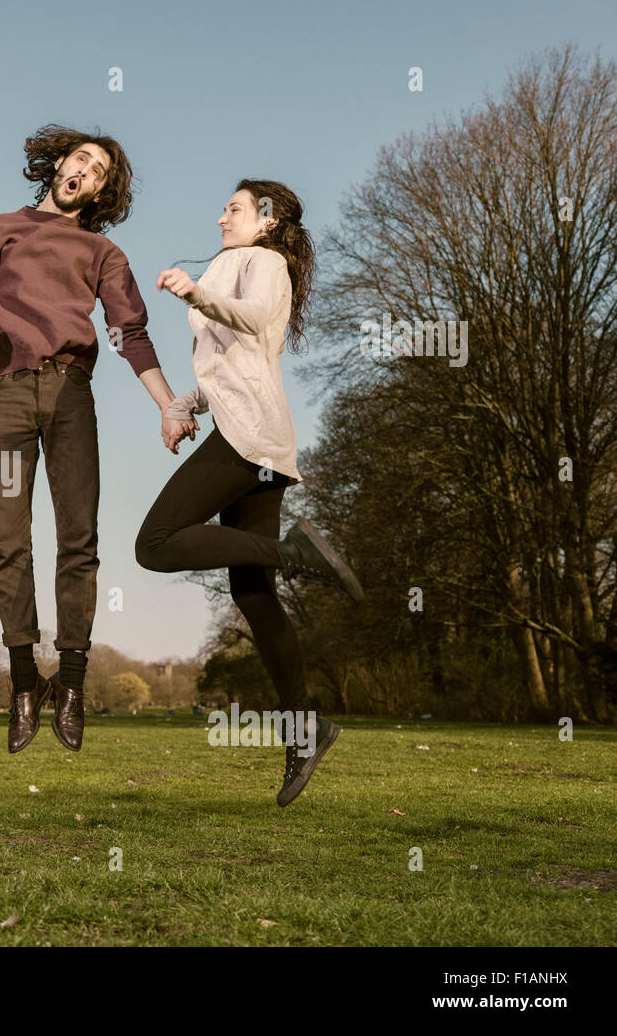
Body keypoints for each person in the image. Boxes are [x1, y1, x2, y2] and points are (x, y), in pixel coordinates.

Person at [0, 125, 187, 754]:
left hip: (73, 394)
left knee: (79, 538)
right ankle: (24, 682)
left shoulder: (104, 253)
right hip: (8, 395)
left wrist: (167, 405)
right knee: (7, 538)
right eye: (82, 159)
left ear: (103, 192)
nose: (88, 171)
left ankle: (72, 684)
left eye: (101, 170)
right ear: (56, 164)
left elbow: (131, 332)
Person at [136, 179, 363, 806]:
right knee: (253, 594)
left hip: (248, 436)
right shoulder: (234, 265)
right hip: (253, 430)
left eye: (232, 209)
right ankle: (306, 729)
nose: (220, 217)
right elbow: (232, 365)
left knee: (154, 543)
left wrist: (197, 291)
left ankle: (300, 554)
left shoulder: (267, 263)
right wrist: (183, 404)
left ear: (266, 221)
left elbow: (257, 319)